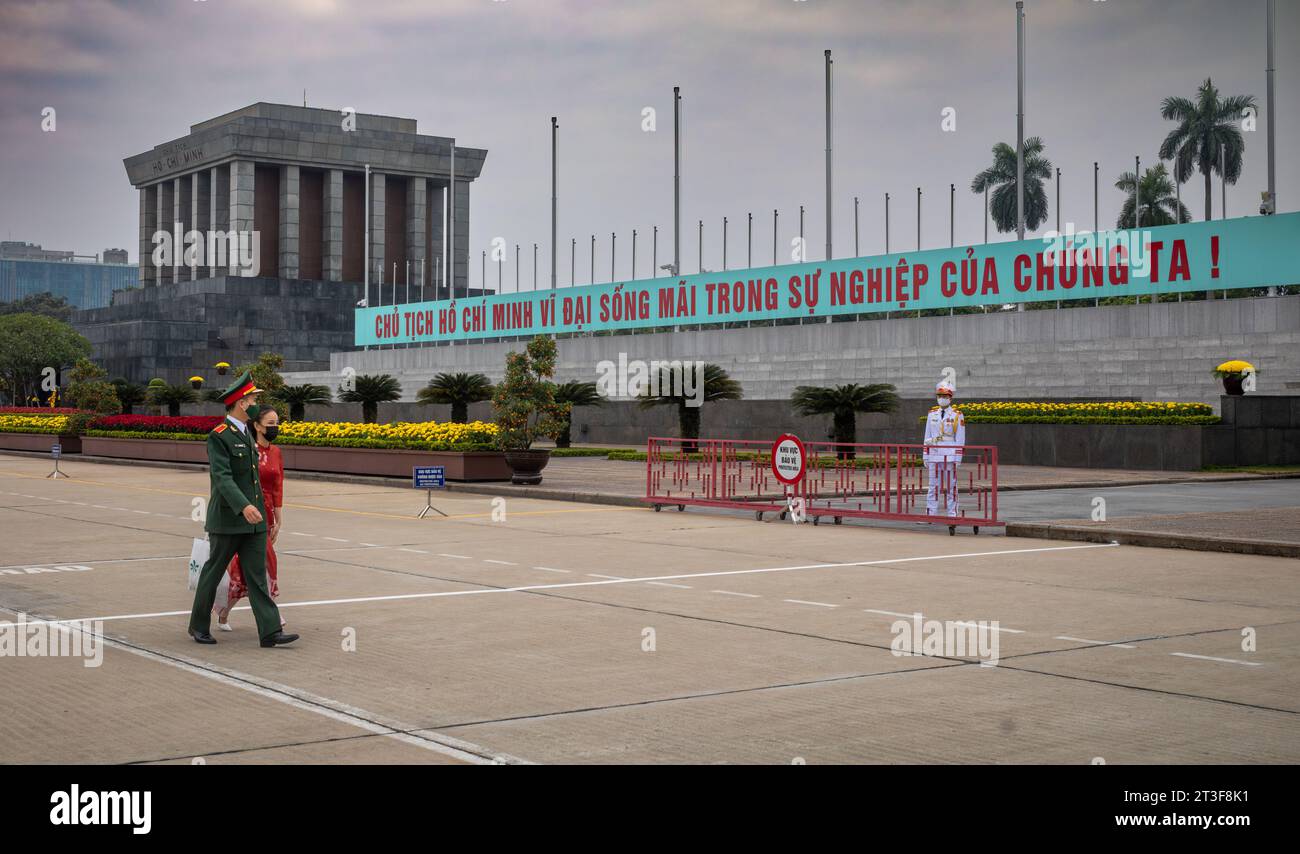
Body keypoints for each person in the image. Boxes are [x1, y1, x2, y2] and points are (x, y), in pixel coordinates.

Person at [187, 372, 298, 648]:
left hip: (254, 520)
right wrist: (244, 506)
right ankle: (199, 626)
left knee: (258, 575)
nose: (255, 403)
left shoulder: (245, 434)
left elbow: (254, 479)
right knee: (212, 573)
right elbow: (222, 478)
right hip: (228, 518)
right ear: (240, 403)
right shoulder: (220, 436)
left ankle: (270, 631)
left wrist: (264, 514)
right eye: (252, 399)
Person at [216, 403, 284, 631]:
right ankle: (273, 615)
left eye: (277, 423)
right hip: (249, 513)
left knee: (246, 568)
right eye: (270, 424)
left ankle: (224, 611)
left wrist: (279, 518)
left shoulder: (276, 452)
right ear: (257, 426)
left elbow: (277, 487)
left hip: (267, 515)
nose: (275, 427)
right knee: (266, 563)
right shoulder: (248, 449)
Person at [923, 382, 964, 517]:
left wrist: (958, 457)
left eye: (945, 396)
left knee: (951, 486)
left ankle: (952, 514)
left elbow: (960, 438)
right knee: (933, 486)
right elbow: (927, 435)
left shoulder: (957, 415)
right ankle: (930, 513)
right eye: (939, 395)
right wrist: (925, 455)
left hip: (950, 454)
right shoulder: (932, 414)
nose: (941, 398)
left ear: (950, 398)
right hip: (934, 453)